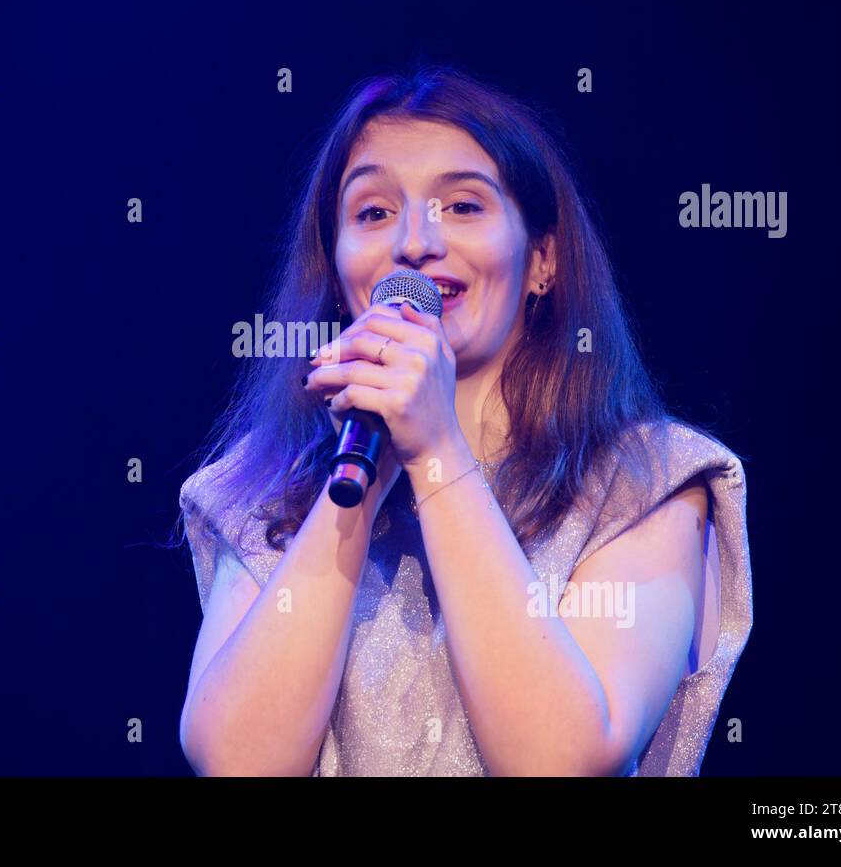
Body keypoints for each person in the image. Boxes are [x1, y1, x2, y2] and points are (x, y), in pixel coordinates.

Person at [176, 64, 753, 776]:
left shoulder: (645, 481)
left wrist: (436, 449)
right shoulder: (264, 493)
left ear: (542, 260)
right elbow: (239, 761)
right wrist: (368, 465)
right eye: (374, 212)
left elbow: (560, 759)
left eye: (463, 206)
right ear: (337, 265)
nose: (415, 241)